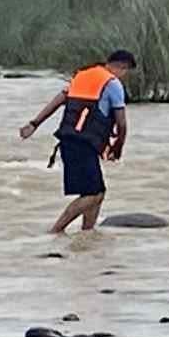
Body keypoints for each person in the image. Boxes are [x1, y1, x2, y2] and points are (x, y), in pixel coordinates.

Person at [19, 50, 135, 235]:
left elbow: (58, 101)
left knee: (96, 192)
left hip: (69, 140)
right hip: (84, 144)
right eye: (126, 71)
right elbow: (121, 123)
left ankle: (87, 233)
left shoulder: (82, 77)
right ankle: (56, 230)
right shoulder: (113, 84)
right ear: (122, 67)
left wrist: (34, 123)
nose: (125, 75)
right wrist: (117, 148)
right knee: (94, 194)